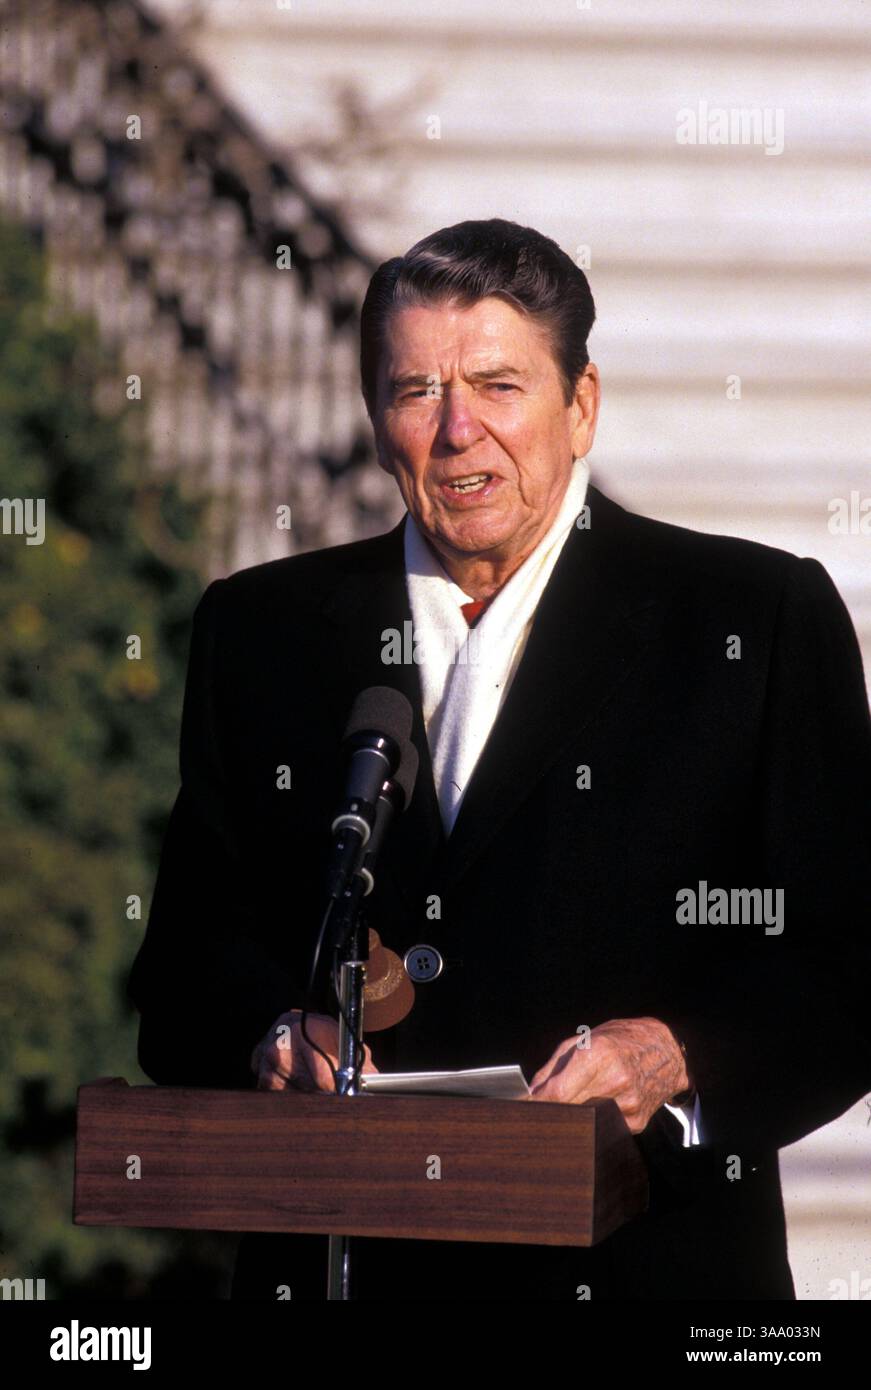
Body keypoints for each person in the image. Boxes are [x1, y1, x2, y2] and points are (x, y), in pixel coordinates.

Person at [128, 218, 871, 1300]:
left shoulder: (750, 618)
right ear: (377, 418)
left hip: (642, 1278)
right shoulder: (264, 629)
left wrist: (674, 1051)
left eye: (497, 385)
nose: (458, 430)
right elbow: (185, 972)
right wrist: (270, 1034)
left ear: (582, 405)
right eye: (416, 390)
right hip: (342, 1274)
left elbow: (844, 969)